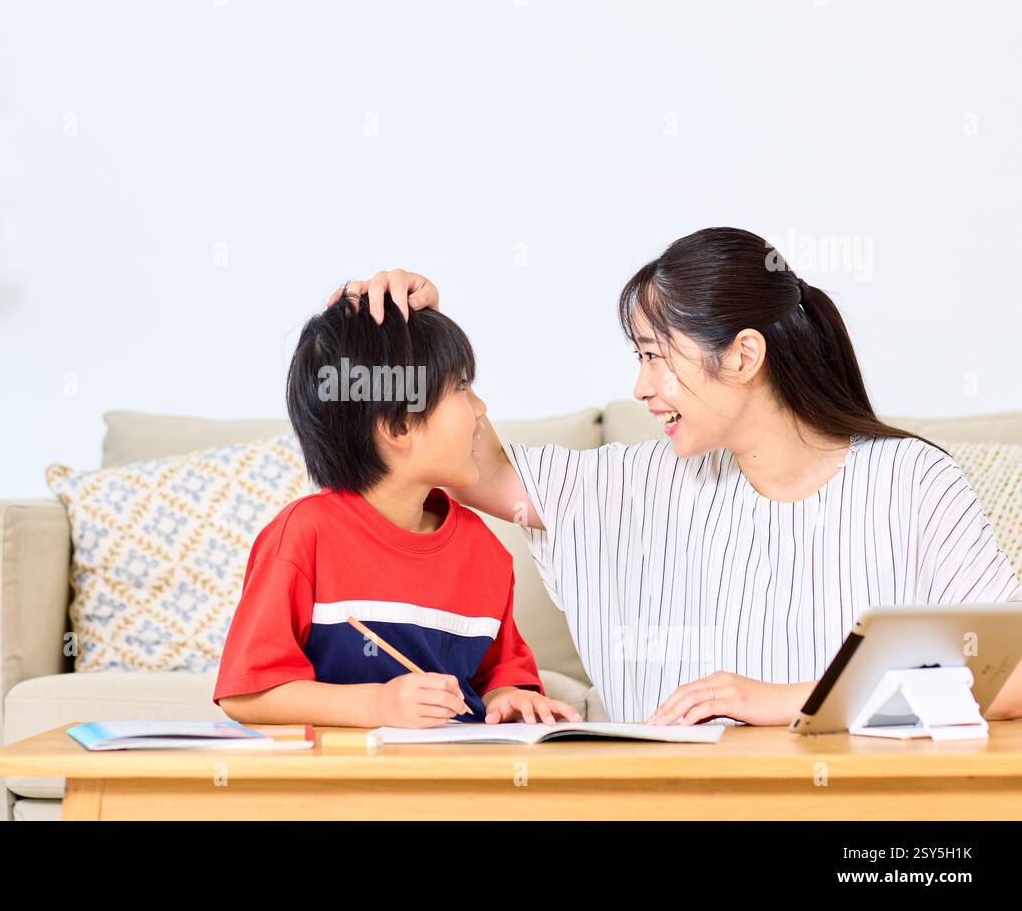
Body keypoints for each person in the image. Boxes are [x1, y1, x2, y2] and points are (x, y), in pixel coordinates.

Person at [333, 228, 1022, 725]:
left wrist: (785, 699)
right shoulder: (632, 484)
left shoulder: (912, 482)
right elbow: (455, 460)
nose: (640, 385)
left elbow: (1011, 672)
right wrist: (405, 338)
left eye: (656, 355)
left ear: (743, 355)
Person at [213, 294, 583, 727]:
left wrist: (508, 697)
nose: (481, 408)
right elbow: (248, 693)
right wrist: (378, 706)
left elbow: (499, 674)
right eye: (463, 388)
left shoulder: (481, 547)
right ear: (399, 426)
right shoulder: (303, 535)